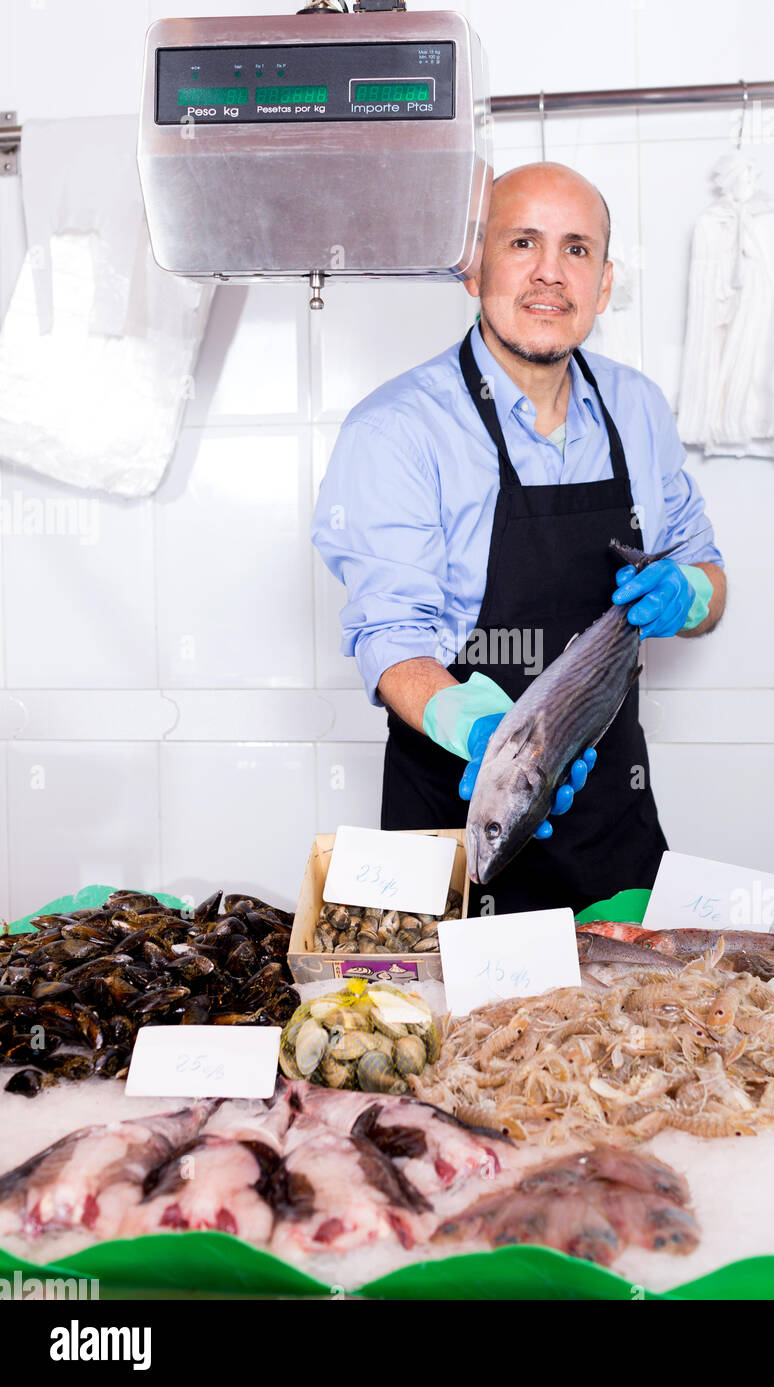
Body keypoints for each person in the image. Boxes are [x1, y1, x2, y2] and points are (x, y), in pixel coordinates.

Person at [312, 162, 726, 916]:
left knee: (636, 1033)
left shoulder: (638, 409)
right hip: (454, 811)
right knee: (447, 1029)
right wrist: (482, 735)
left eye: (576, 249)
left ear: (603, 283)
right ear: (473, 267)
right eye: (521, 242)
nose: (548, 273)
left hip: (610, 821)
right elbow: (389, 636)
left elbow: (706, 574)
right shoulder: (396, 431)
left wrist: (687, 594)